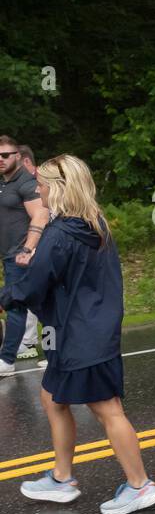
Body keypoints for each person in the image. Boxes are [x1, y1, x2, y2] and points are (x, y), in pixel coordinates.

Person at [3, 155, 155, 514]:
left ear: (57, 189)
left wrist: (7, 294)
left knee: (108, 409)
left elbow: (32, 285)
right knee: (51, 397)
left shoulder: (60, 234)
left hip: (81, 332)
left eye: (41, 183)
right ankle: (61, 478)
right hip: (79, 328)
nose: (37, 188)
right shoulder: (93, 222)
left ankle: (139, 485)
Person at [0, 134, 46, 375]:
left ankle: (6, 360)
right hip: (10, 257)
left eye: (5, 155)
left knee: (16, 306)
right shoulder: (5, 184)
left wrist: (29, 249)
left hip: (23, 256)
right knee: (40, 307)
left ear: (18, 156)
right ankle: (56, 353)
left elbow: (41, 215)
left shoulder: (25, 183)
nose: (1, 159)